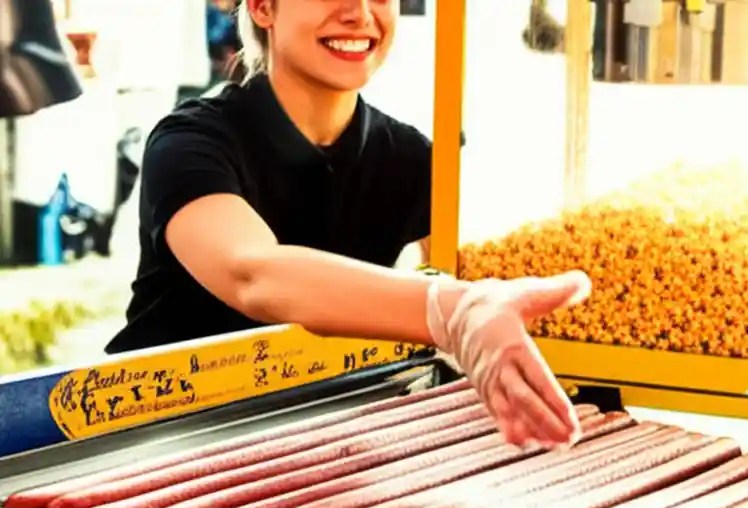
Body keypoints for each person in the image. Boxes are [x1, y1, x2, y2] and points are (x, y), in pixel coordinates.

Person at [105, 0, 589, 450]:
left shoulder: (412, 158)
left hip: (320, 431)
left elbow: (477, 269)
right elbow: (251, 274)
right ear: (262, 7)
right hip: (154, 434)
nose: (360, 14)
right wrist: (453, 311)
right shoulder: (190, 142)